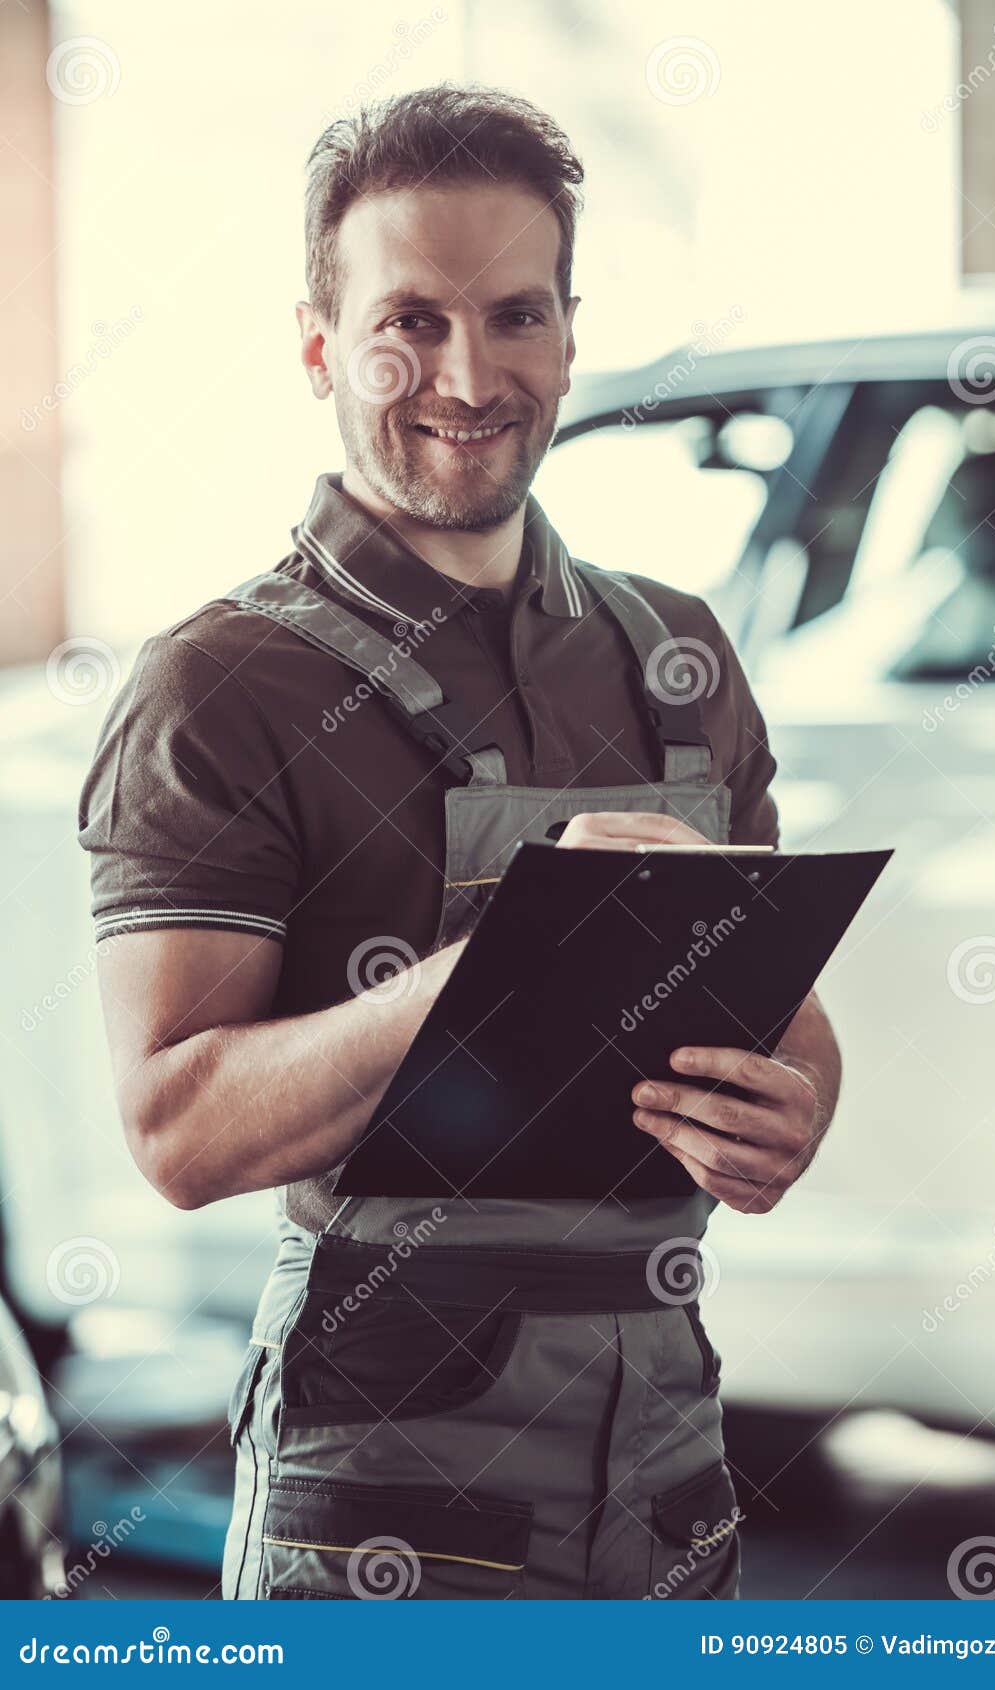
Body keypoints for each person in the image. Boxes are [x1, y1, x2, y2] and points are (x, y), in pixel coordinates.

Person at [77, 84, 840, 1601]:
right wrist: (481, 970)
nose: (467, 374)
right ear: (318, 345)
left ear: (568, 332)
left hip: (672, 1461)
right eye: (408, 320)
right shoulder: (218, 683)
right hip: (387, 1495)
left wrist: (793, 1112)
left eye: (513, 316)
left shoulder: (676, 657)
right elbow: (176, 1128)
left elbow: (793, 1024)